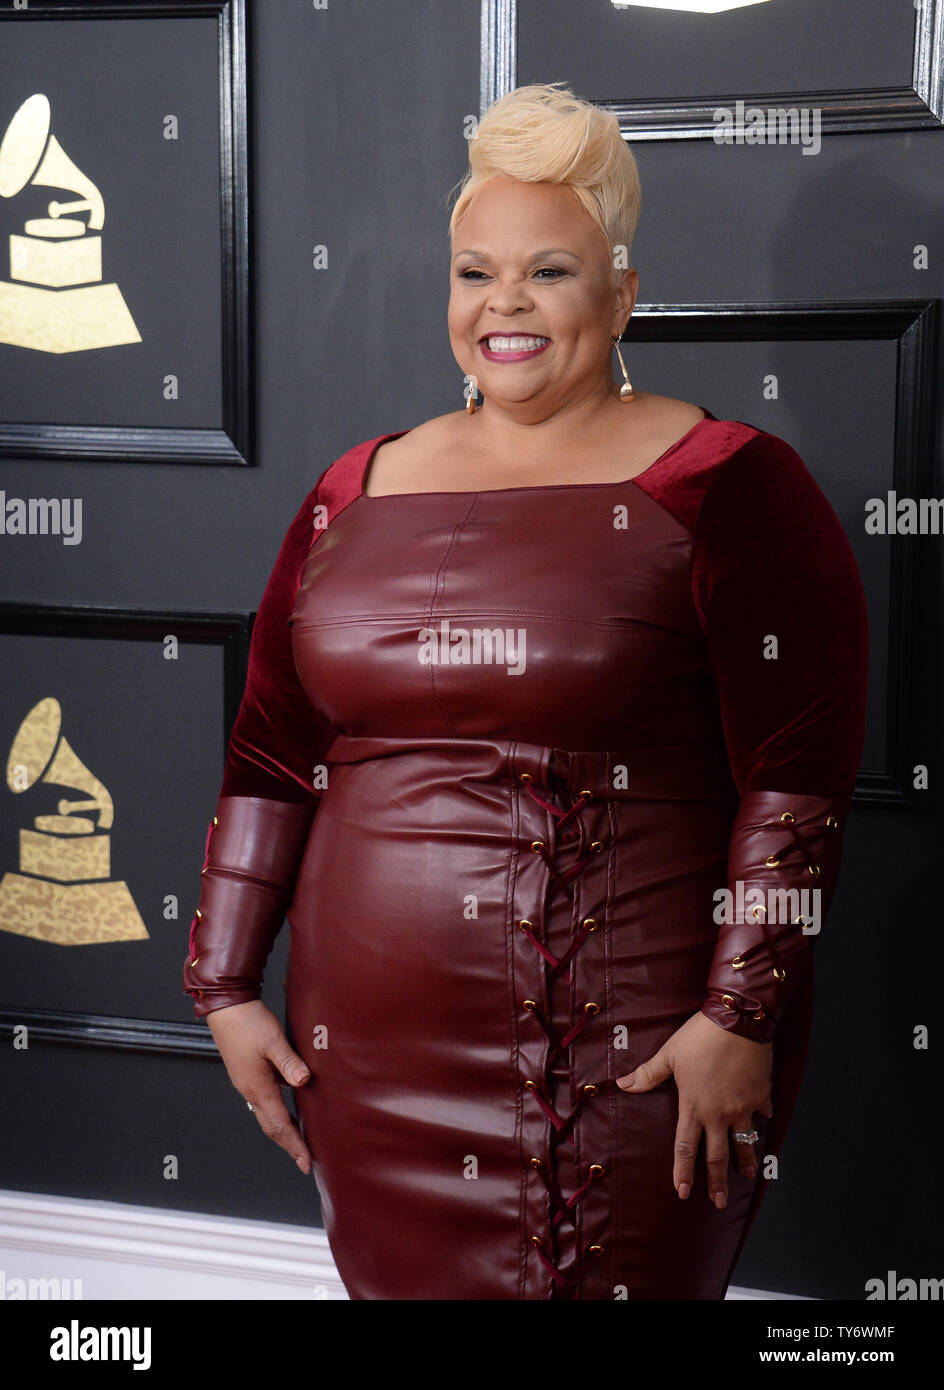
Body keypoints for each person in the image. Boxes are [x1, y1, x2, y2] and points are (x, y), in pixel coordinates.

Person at [182, 82, 868, 1300]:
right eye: (471, 271)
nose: (501, 303)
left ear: (620, 294)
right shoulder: (356, 487)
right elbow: (270, 755)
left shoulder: (726, 481)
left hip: (634, 1057)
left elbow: (794, 777)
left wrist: (740, 1013)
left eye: (547, 270)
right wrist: (226, 986)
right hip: (369, 1065)